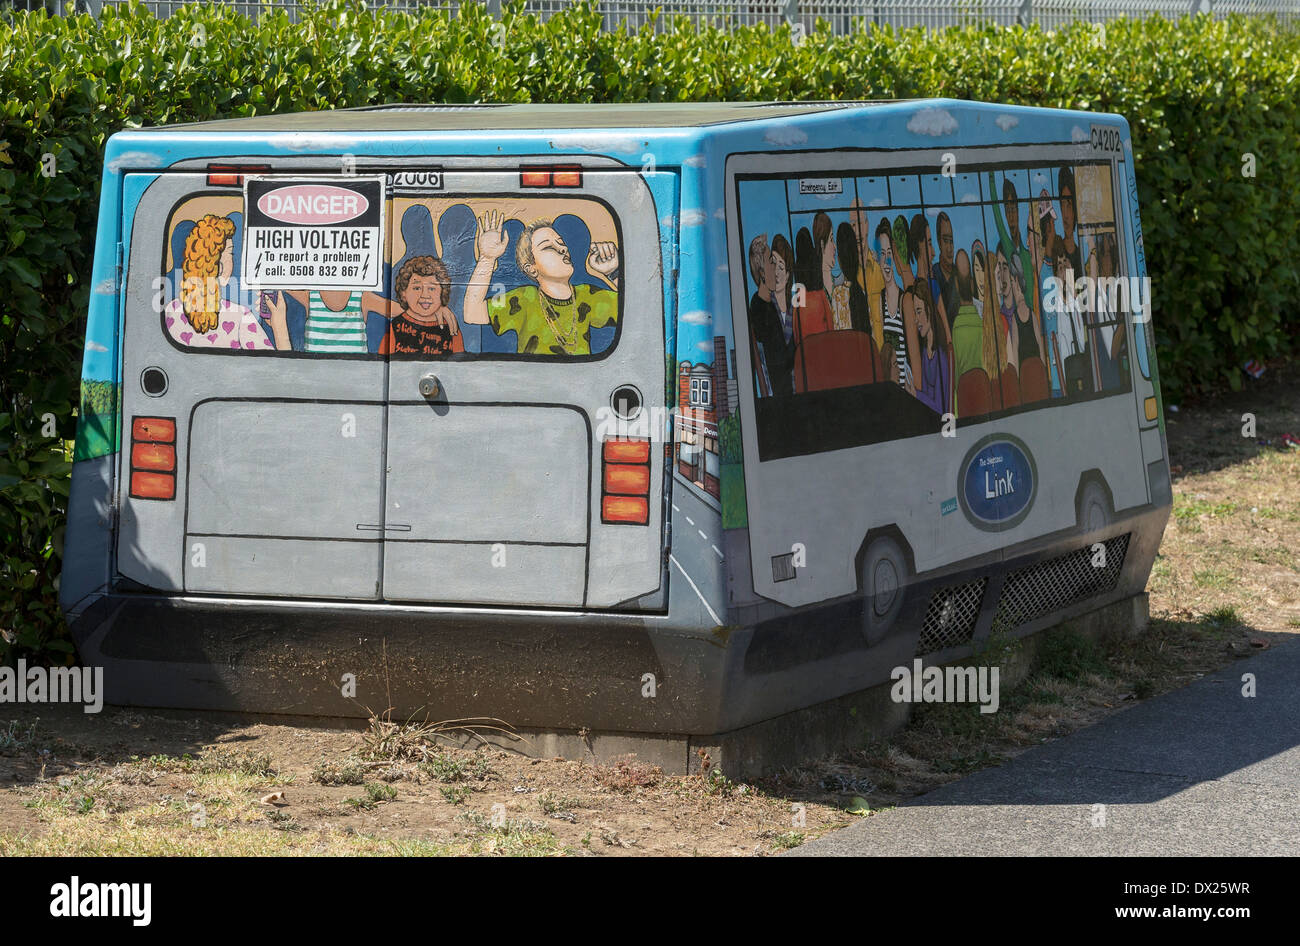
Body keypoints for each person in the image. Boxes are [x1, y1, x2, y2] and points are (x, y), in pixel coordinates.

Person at [463, 210, 619, 356]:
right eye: (549, 247)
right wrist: (487, 258)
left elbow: (635, 311)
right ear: (531, 269)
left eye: (561, 243)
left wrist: (614, 272)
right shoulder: (524, 299)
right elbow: (473, 314)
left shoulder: (588, 296)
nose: (563, 249)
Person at [167, 213, 290, 350]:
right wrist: (279, 327)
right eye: (230, 253)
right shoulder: (241, 316)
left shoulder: (171, 310)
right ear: (219, 267)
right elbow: (277, 367)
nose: (231, 260)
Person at [379, 255, 464, 356]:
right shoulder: (395, 326)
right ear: (403, 293)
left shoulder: (451, 326)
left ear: (442, 292)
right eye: (417, 288)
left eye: (432, 289)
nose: (425, 295)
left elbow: (459, 363)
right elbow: (382, 358)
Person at [747, 232, 794, 397]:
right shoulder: (759, 308)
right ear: (761, 272)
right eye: (771, 263)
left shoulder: (769, 304)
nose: (775, 269)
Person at [876, 218, 911, 391]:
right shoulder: (879, 300)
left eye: (889, 253)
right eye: (882, 254)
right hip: (889, 390)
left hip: (905, 389)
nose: (887, 261)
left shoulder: (904, 299)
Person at [905, 284, 950, 416]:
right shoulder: (926, 350)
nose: (916, 319)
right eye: (915, 313)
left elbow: (941, 408)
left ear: (929, 310)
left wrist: (915, 394)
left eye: (919, 312)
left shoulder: (941, 356)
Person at [849, 200, 885, 350]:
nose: (857, 232)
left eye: (860, 223)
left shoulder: (880, 270)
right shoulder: (848, 277)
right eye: (853, 225)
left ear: (868, 225)